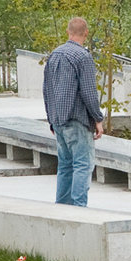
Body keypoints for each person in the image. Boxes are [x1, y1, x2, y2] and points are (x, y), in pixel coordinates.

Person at [42, 16, 106, 207]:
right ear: (86, 33)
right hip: (77, 119)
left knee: (65, 165)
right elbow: (88, 92)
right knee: (82, 165)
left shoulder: (54, 55)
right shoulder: (83, 57)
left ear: (68, 32)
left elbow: (47, 90)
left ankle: (62, 208)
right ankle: (79, 209)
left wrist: (51, 119)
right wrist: (98, 118)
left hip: (58, 120)